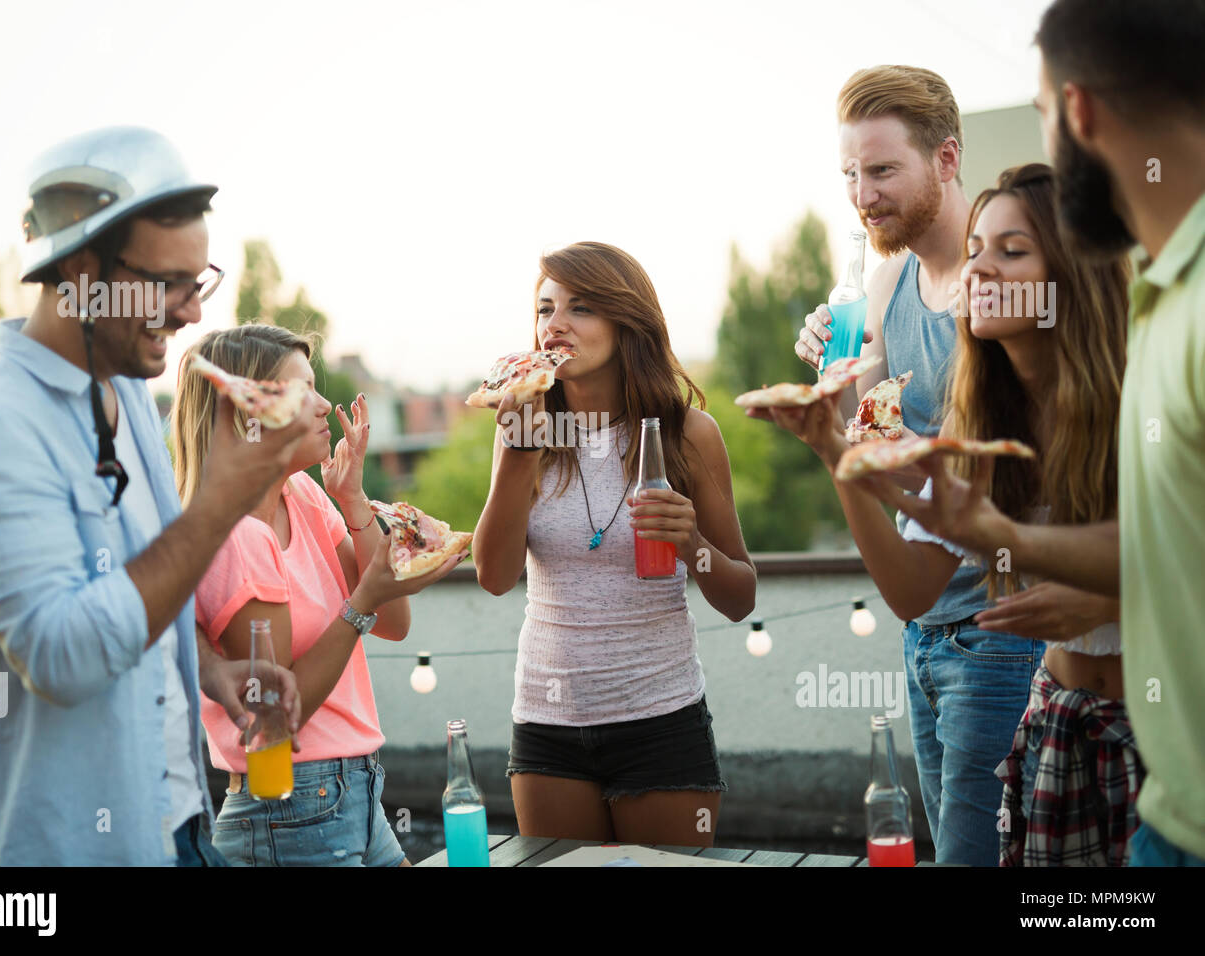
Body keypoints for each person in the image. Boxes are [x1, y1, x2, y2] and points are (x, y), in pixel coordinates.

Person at [0, 126, 310, 865]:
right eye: (168, 285)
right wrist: (221, 501)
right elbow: (63, 655)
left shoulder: (123, 392)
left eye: (199, 281)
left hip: (180, 828)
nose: (192, 313)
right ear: (83, 272)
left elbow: (137, 587)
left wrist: (212, 672)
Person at [898, 0, 1205, 868]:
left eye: (1038, 111)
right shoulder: (1161, 295)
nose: (984, 269)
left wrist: (1105, 600)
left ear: (1077, 112)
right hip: (1160, 809)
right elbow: (1172, 535)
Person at [766, 164, 1140, 865]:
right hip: (1057, 723)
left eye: (1012, 251)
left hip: (1164, 726)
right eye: (974, 251)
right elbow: (912, 590)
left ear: (1071, 273)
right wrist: (835, 452)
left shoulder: (1138, 402)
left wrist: (1103, 591)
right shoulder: (976, 420)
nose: (980, 270)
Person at [786, 66, 1045, 865]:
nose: (862, 195)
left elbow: (1013, 471)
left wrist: (845, 456)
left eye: (882, 169)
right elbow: (876, 439)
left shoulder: (1000, 287)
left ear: (945, 157)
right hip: (924, 632)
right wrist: (835, 392)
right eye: (851, 175)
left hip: (1005, 630)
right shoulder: (886, 278)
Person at [472, 242, 756, 847]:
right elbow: (494, 577)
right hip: (547, 725)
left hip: (662, 721)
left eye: (580, 308)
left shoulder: (687, 434)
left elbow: (740, 596)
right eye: (545, 309)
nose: (555, 325)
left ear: (625, 321)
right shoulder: (523, 430)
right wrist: (517, 457)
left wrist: (692, 544)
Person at [170, 324, 460, 866]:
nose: (326, 405)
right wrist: (361, 604)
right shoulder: (235, 534)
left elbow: (395, 622)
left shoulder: (301, 493)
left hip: (357, 790)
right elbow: (280, 714)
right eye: (305, 391)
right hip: (287, 809)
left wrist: (353, 502)